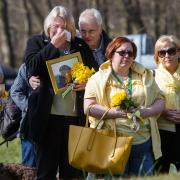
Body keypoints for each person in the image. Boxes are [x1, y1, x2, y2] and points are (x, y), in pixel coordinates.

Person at [24, 5, 97, 180]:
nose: (59, 30)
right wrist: (52, 46)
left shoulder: (79, 45)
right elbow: (32, 66)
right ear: (48, 26)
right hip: (47, 117)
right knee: (46, 172)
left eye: (63, 27)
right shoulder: (37, 42)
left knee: (71, 172)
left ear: (70, 28)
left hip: (74, 117)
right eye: (55, 26)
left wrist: (87, 83)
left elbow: (95, 72)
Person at [84, 37, 165, 177]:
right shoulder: (97, 78)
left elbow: (160, 100)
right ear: (111, 53)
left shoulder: (145, 76)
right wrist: (112, 113)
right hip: (111, 144)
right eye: (122, 52)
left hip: (142, 143)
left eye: (130, 53)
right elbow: (88, 107)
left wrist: (146, 111)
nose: (127, 56)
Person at [154, 35, 180, 173]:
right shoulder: (151, 76)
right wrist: (162, 111)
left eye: (171, 51)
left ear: (178, 52)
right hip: (161, 132)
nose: (167, 55)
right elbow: (145, 104)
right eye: (162, 52)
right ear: (157, 56)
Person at [10, 63, 40, 168]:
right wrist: (29, 107)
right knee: (29, 168)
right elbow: (15, 91)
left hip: (55, 126)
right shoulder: (26, 67)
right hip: (29, 127)